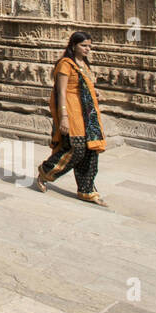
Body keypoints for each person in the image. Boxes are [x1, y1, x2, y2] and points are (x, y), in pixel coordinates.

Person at [35, 31, 107, 205]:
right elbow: (60, 91)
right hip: (72, 111)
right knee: (76, 148)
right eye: (84, 46)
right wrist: (64, 117)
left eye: (89, 46)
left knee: (90, 150)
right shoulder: (65, 64)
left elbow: (85, 84)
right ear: (73, 45)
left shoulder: (84, 64)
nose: (87, 49)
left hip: (88, 114)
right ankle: (46, 172)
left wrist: (94, 91)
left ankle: (87, 189)